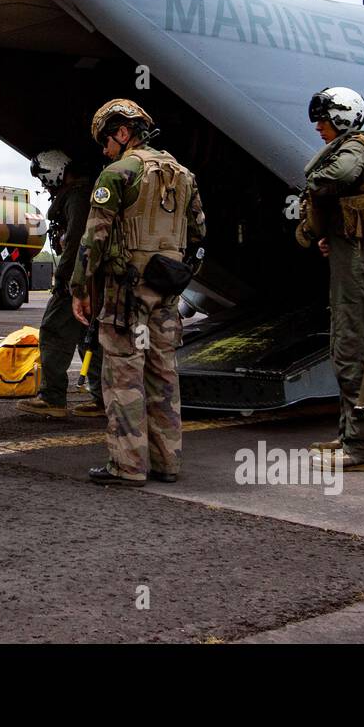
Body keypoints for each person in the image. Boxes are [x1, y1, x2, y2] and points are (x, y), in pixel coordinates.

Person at [70, 99, 205, 486]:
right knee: (163, 374)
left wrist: (80, 288)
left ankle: (127, 466)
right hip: (166, 292)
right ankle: (167, 463)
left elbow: (93, 239)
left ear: (123, 132)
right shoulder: (184, 175)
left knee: (123, 375)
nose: (104, 149)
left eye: (106, 140)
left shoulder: (117, 173)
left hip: (125, 295)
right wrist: (177, 276)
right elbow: (199, 238)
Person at [296, 86, 364, 473]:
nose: (319, 130)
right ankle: (350, 436)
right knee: (349, 346)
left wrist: (314, 175)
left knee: (357, 351)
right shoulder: (361, 145)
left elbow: (336, 176)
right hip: (354, 253)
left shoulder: (355, 148)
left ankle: (363, 448)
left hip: (362, 261)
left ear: (341, 118)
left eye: (323, 121)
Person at [17, 149, 103, 419]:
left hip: (76, 281)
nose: (44, 184)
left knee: (53, 330)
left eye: (44, 177)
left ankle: (52, 398)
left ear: (56, 171)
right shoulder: (83, 194)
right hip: (90, 279)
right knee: (88, 338)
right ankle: (103, 399)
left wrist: (66, 279)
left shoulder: (77, 197)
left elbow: (77, 241)